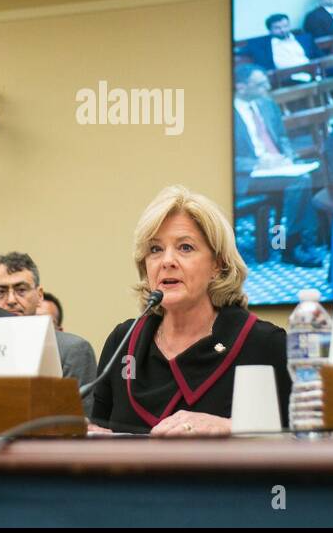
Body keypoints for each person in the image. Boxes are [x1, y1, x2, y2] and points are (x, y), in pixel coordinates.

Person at [90, 186, 291, 435]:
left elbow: (306, 439)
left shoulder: (263, 343)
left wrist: (230, 427)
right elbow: (98, 432)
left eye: (185, 247)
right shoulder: (123, 341)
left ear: (217, 264)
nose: (167, 261)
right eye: (155, 249)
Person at [232, 64, 325, 267]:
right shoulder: (225, 114)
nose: (267, 86)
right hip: (246, 176)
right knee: (299, 182)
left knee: (320, 172)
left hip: (278, 167)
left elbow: (282, 137)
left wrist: (288, 156)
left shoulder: (266, 104)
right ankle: (291, 247)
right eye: (260, 83)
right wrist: (258, 163)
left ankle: (313, 238)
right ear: (241, 87)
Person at [0, 252, 97, 415]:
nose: (11, 300)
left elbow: (77, 425)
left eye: (21, 290)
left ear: (39, 296)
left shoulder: (72, 350)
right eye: (1, 291)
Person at [242, 13, 322, 74]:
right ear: (270, 30)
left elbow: (319, 55)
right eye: (277, 28)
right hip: (284, 78)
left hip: (311, 72)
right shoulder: (260, 45)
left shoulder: (305, 39)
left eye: (285, 26)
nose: (283, 30)